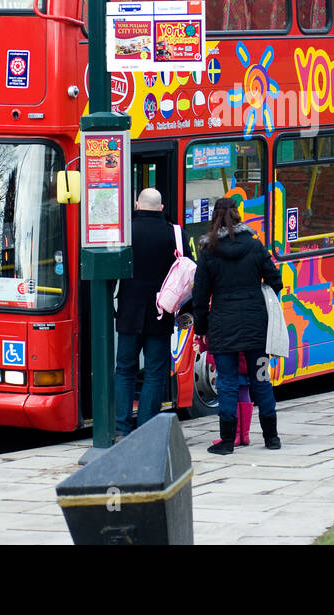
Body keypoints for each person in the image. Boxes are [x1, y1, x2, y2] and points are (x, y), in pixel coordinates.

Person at [190, 197, 284, 454]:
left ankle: (228, 441)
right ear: (238, 216)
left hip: (222, 326)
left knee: (228, 383)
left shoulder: (208, 252)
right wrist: (261, 296)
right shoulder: (255, 246)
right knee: (261, 380)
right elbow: (276, 280)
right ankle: (272, 438)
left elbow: (200, 296)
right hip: (256, 327)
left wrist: (201, 328)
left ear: (215, 218)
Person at [113, 188, 178, 437]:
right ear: (161, 208)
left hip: (129, 313)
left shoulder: (125, 231)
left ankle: (121, 428)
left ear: (137, 205)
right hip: (161, 313)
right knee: (155, 371)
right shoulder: (175, 234)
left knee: (125, 370)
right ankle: (147, 429)